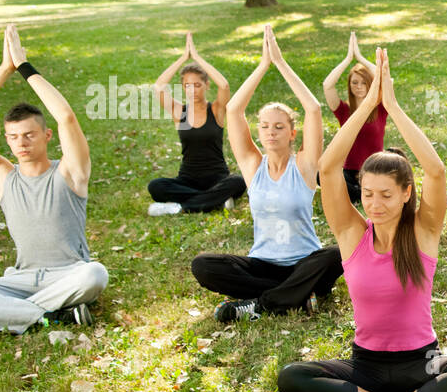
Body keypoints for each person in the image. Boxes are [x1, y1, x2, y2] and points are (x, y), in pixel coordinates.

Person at [277, 48, 447, 392]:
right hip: (367, 367)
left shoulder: (424, 231)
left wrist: (391, 105)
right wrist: (367, 104)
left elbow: (436, 171)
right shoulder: (352, 234)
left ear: (408, 193)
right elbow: (328, 167)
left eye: (386, 195)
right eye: (368, 194)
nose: (373, 205)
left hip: (421, 362)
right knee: (292, 377)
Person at [0, 25, 107, 335]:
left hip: (69, 276)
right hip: (18, 280)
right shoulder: (2, 177)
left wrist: (24, 66)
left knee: (96, 274)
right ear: (7, 141)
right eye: (14, 137)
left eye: (29, 135)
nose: (22, 143)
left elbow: (66, 116)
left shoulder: (70, 172)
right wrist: (4, 68)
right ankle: (49, 316)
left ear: (46, 135)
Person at [190, 25, 343, 322]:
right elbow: (233, 110)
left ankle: (261, 304)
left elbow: (312, 109)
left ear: (292, 132)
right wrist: (263, 65)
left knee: (337, 254)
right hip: (263, 264)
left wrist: (281, 63)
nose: (270, 132)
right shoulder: (252, 166)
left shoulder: (304, 164)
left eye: (279, 126)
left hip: (304, 263)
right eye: (264, 126)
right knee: (203, 265)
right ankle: (294, 296)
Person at [147, 33, 246, 215]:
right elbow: (159, 87)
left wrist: (198, 58)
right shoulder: (179, 112)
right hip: (187, 179)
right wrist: (183, 58)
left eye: (197, 85)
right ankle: (214, 199)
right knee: (156, 186)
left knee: (238, 182)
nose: (192, 90)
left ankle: (181, 207)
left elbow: (223, 86)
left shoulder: (216, 110)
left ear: (207, 85)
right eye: (187, 86)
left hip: (217, 177)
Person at [322, 31, 387, 201]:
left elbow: (388, 80)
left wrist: (360, 58)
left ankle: (363, 194)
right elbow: (327, 85)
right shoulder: (343, 110)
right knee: (319, 175)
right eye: (354, 82)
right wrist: (347, 60)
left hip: (374, 169)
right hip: (349, 174)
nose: (359, 86)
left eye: (364, 82)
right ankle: (360, 194)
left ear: (371, 83)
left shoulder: (380, 107)